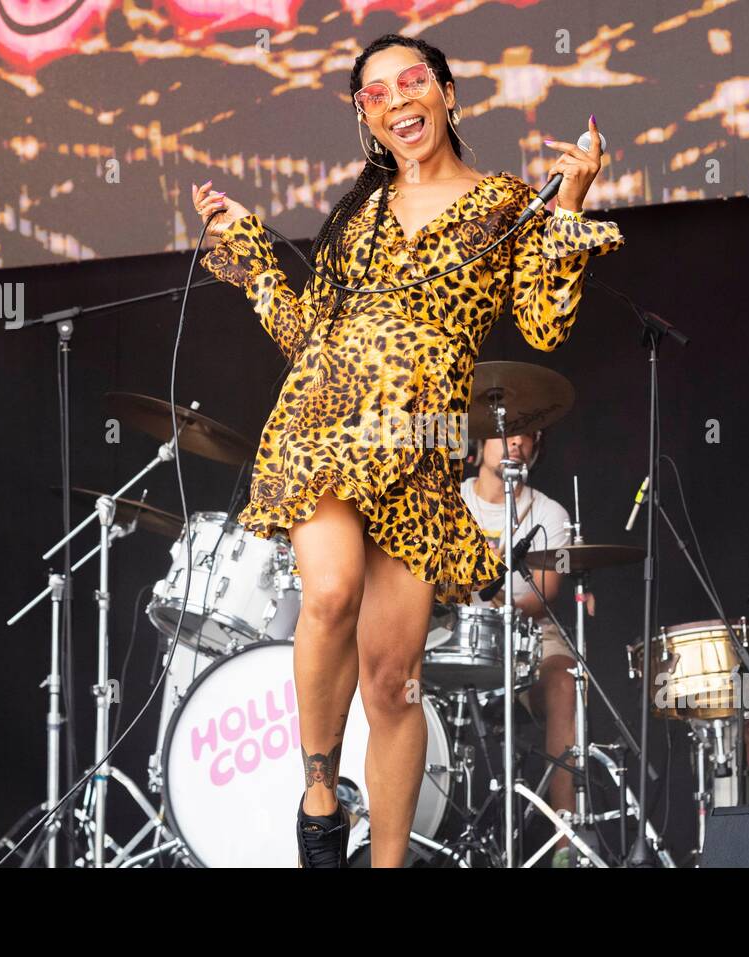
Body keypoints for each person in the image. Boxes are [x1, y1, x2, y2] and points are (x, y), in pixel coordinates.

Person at [192, 33, 622, 867]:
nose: (397, 101)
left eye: (412, 81)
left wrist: (568, 198)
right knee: (330, 591)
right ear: (367, 118)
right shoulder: (356, 215)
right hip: (324, 424)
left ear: (448, 94)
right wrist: (253, 257)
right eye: (375, 93)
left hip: (420, 450)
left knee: (394, 679)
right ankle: (320, 791)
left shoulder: (504, 206)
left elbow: (544, 323)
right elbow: (306, 333)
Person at [461, 431, 579, 867]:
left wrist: (495, 593)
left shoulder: (549, 512)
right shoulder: (448, 502)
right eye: (505, 432)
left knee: (566, 681)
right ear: (478, 444)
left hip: (528, 637)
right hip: (453, 634)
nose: (516, 443)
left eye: (526, 436)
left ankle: (566, 843)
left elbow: (540, 598)